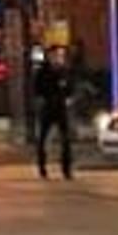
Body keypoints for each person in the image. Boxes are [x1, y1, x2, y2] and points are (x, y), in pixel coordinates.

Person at [35, 44, 74, 179]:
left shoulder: (65, 71)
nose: (59, 58)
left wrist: (69, 97)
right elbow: (37, 89)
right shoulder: (43, 71)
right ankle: (42, 167)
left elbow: (70, 87)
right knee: (43, 139)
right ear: (50, 56)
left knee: (66, 139)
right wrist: (43, 100)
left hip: (61, 108)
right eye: (57, 55)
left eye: (61, 55)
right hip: (48, 107)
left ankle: (66, 169)